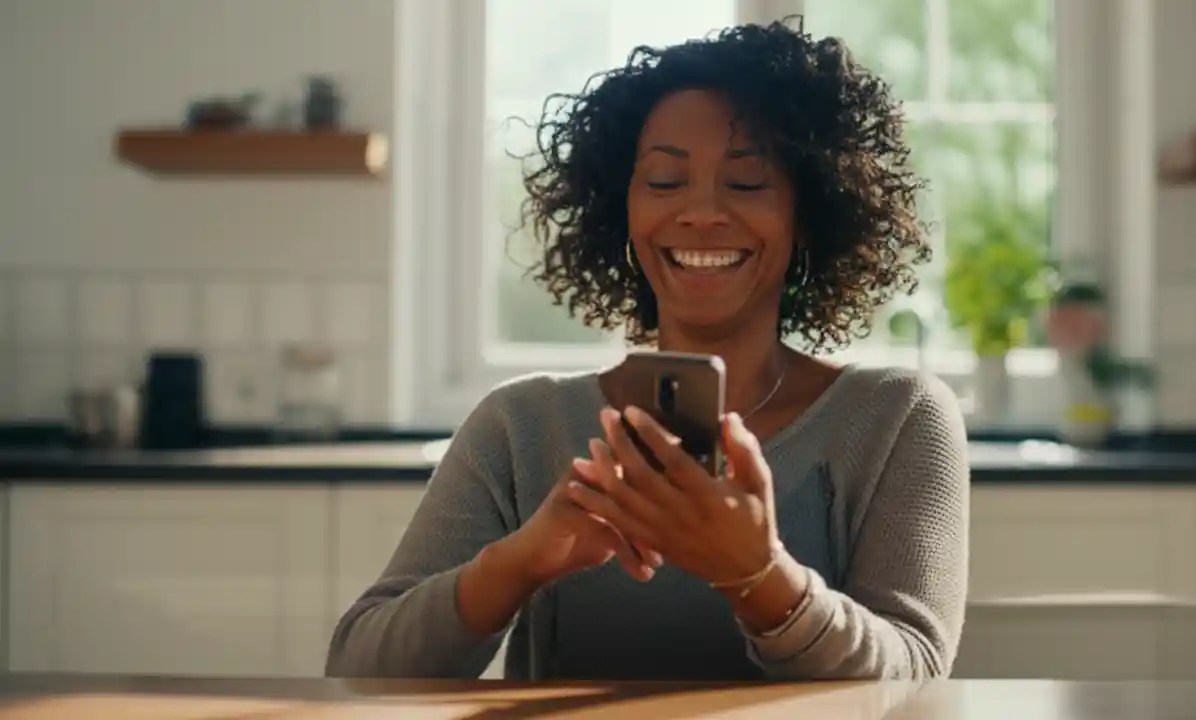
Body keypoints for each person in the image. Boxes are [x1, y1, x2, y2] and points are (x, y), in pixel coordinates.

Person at [326, 20, 969, 682]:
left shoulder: (897, 418)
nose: (700, 212)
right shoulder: (520, 427)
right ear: (621, 210)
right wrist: (519, 563)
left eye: (746, 184)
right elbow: (357, 664)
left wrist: (759, 576)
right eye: (664, 181)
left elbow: (915, 680)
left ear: (808, 212)